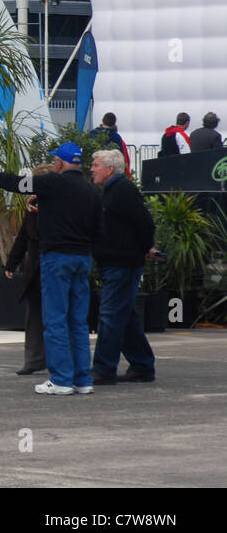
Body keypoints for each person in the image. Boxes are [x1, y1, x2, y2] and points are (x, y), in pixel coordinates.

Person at [0, 140, 103, 396]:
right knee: (78, 322)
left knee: (55, 319)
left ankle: (61, 380)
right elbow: (100, 229)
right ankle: (82, 379)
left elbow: (13, 182)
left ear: (59, 163)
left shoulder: (51, 184)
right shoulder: (90, 191)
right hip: (82, 259)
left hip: (57, 258)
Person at [89, 148, 158, 384]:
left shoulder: (123, 191)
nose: (92, 169)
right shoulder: (111, 191)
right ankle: (142, 364)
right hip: (115, 262)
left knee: (109, 315)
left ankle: (103, 369)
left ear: (109, 169)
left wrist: (144, 247)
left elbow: (145, 223)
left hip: (123, 263)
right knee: (125, 316)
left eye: (96, 165)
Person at [4, 163, 54, 376]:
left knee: (54, 317)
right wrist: (11, 263)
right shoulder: (33, 208)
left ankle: (56, 361)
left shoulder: (55, 209)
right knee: (34, 316)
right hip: (35, 269)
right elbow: (23, 237)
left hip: (52, 267)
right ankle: (33, 360)